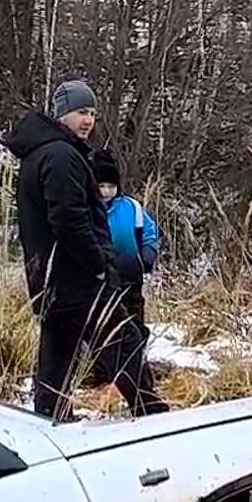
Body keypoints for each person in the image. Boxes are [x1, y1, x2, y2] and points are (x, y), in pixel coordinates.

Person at [5, 79, 165, 420]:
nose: (88, 120)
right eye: (80, 112)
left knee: (59, 351)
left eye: (92, 113)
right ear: (62, 114)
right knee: (124, 339)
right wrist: (97, 263)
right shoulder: (61, 156)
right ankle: (154, 413)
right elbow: (69, 220)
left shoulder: (41, 153)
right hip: (76, 276)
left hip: (50, 276)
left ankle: (51, 417)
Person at [88, 148, 166, 403]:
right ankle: (103, 377)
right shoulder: (89, 210)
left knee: (136, 326)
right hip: (103, 283)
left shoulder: (131, 207)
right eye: (101, 185)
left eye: (111, 185)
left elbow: (150, 231)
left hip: (132, 278)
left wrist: (148, 252)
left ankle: (137, 371)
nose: (106, 191)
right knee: (106, 330)